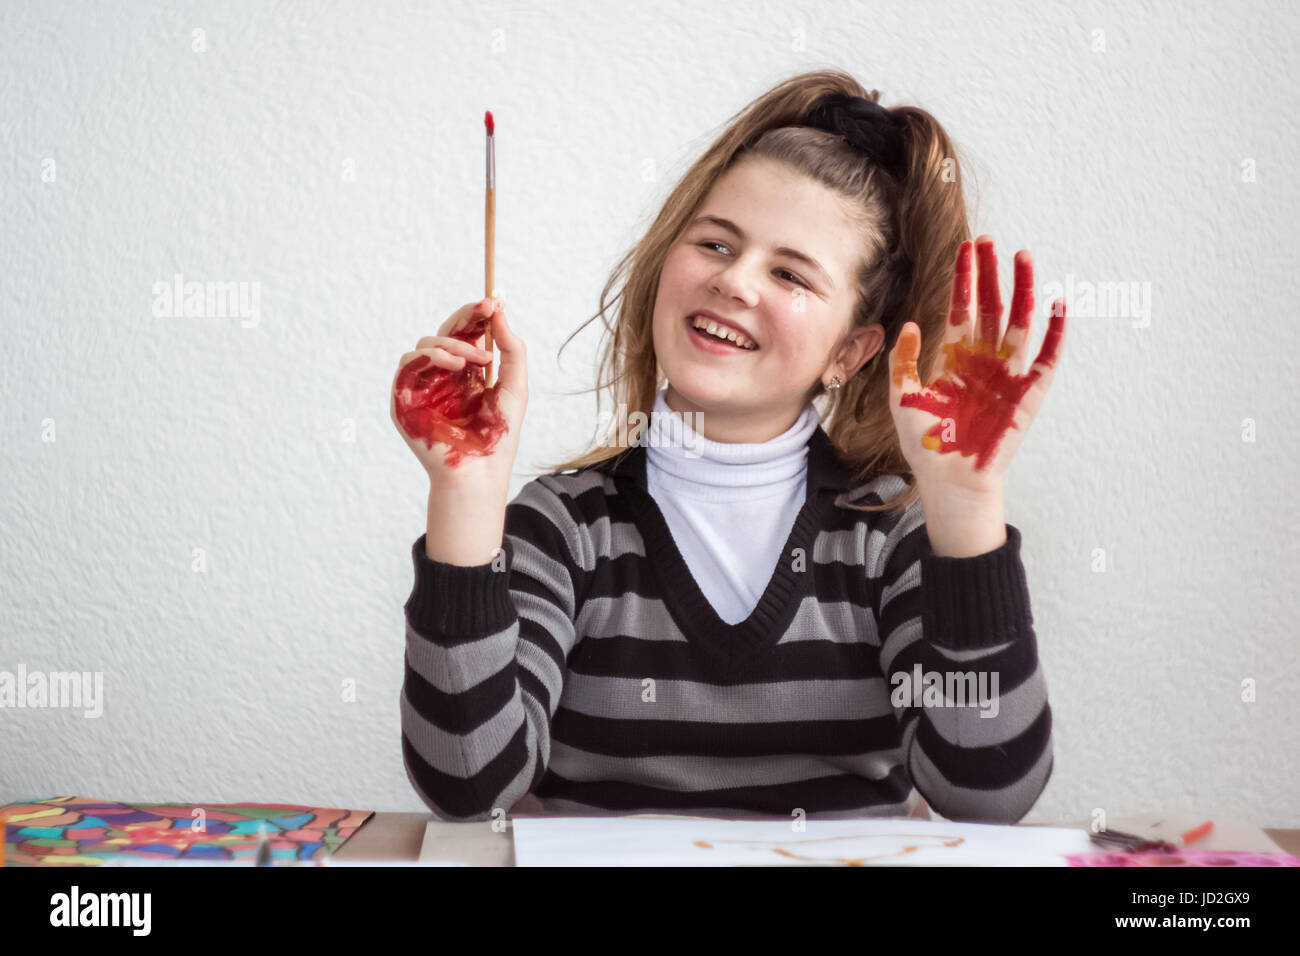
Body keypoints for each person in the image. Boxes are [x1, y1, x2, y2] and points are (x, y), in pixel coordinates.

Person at [390, 69, 1067, 823]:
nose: (735, 282)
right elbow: (467, 784)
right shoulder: (563, 530)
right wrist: (465, 494)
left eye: (790, 273)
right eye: (715, 243)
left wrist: (967, 506)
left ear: (851, 352)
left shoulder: (889, 539)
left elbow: (987, 793)